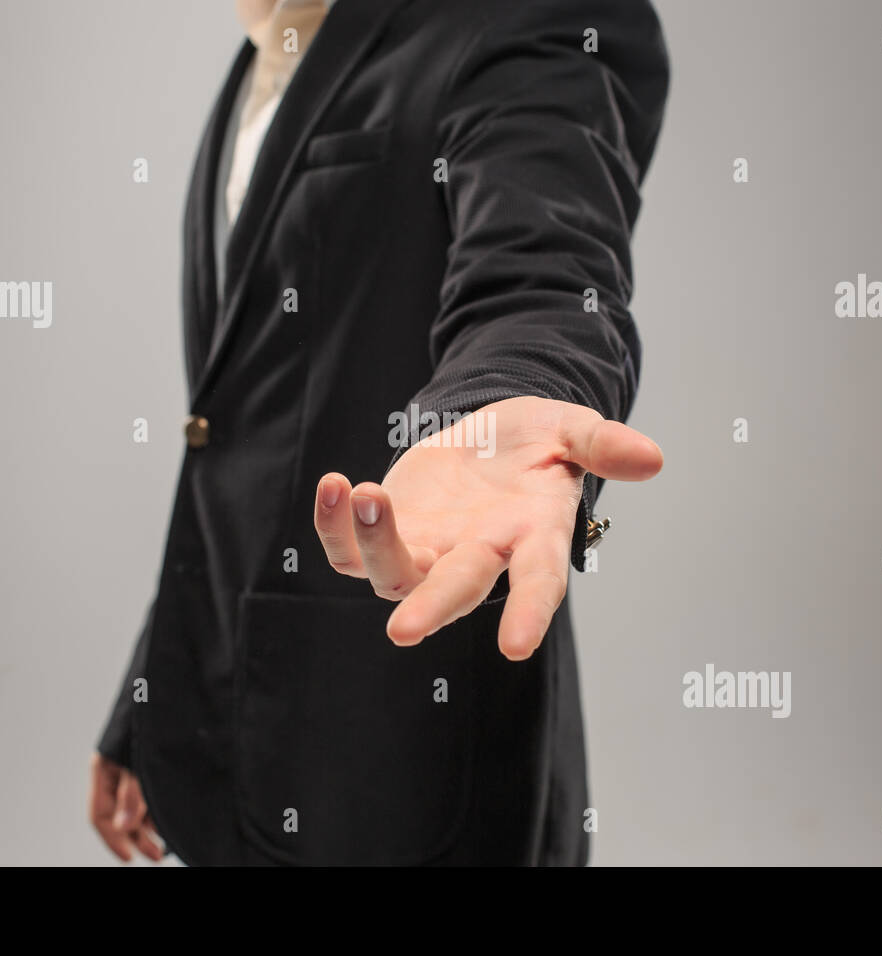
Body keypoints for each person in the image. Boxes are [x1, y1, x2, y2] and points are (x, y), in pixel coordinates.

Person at [89, 0, 670, 866]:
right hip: (231, 725)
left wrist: (507, 396)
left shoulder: (526, 18)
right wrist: (150, 693)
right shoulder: (267, 54)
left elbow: (539, 269)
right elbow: (242, 431)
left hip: (406, 749)